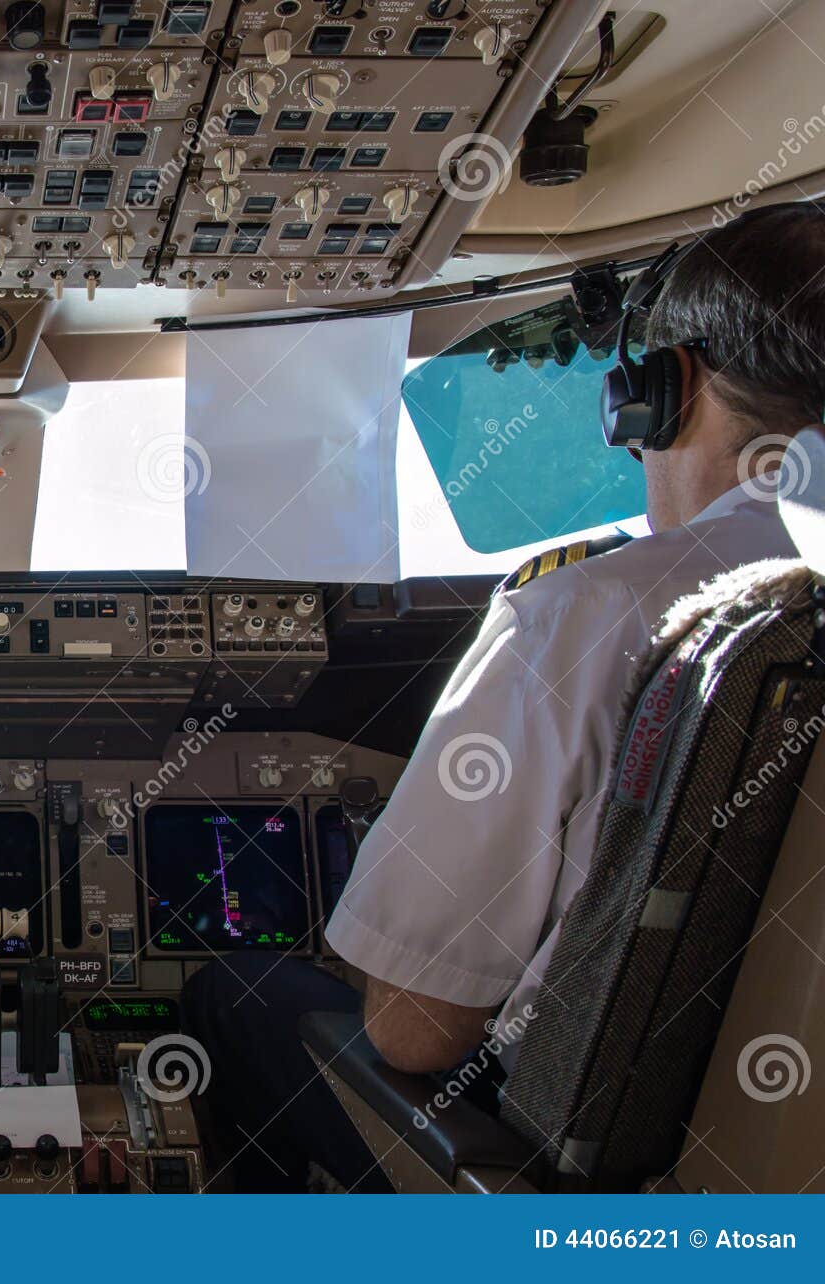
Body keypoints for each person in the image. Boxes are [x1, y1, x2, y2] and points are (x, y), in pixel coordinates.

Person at [183, 200, 816, 1192]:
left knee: (237, 993)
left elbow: (415, 1032)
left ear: (662, 392)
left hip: (572, 1188)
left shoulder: (591, 615)